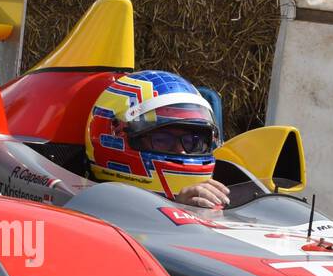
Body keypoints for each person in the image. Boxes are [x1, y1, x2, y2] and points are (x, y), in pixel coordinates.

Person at [85, 70, 230, 210]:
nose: (182, 152)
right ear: (115, 138)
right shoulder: (84, 210)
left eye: (191, 141)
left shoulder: (225, 197)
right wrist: (179, 212)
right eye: (162, 140)